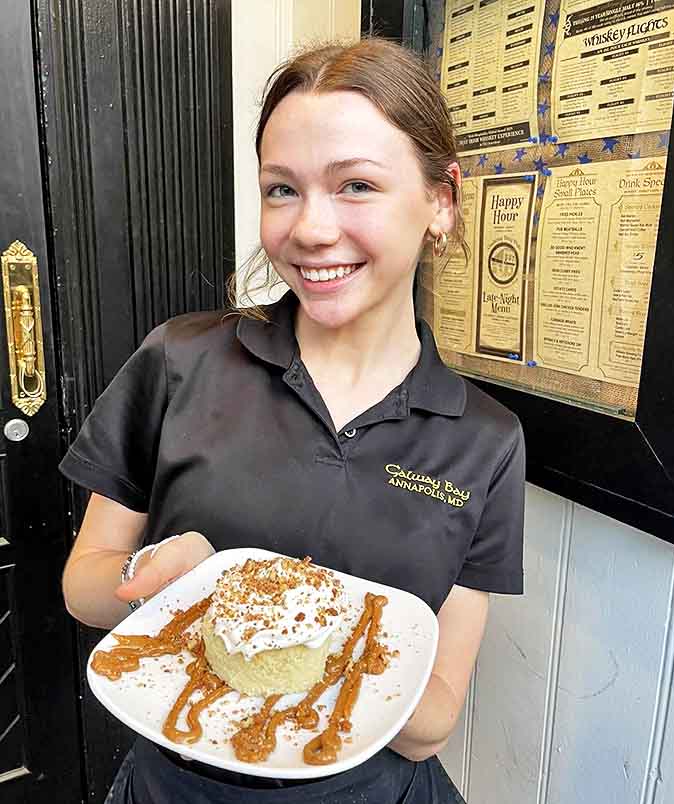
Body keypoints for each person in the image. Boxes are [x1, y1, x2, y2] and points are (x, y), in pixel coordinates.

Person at [60, 36, 525, 804]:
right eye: (282, 190)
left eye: (355, 186)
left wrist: (306, 629)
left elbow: (434, 716)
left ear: (440, 201)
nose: (309, 229)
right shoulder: (180, 361)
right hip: (178, 786)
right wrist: (156, 583)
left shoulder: (485, 439)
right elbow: (84, 585)